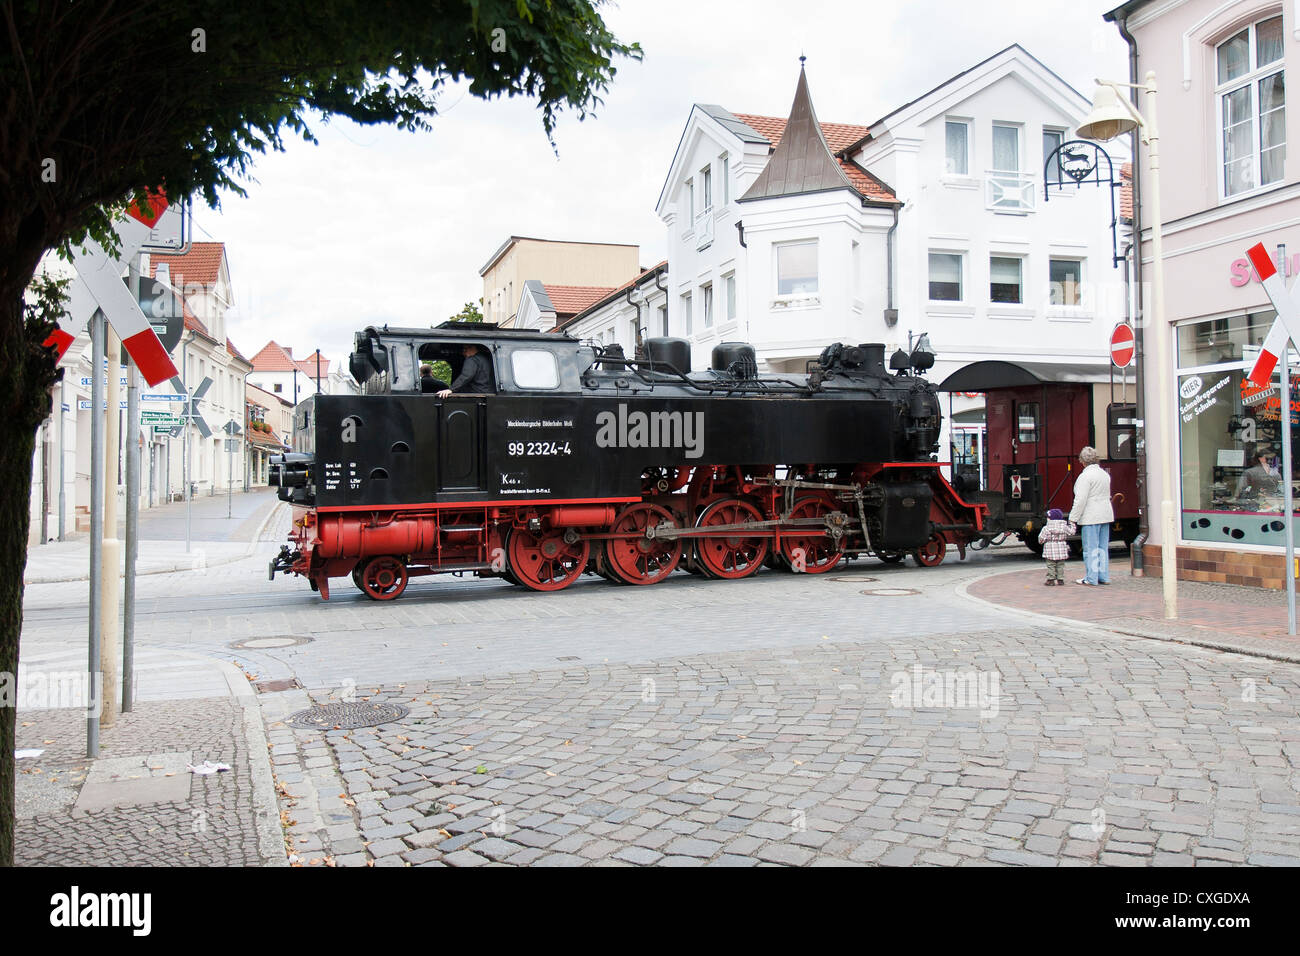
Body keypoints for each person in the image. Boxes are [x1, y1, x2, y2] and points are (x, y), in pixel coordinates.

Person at [1069, 446, 1115, 586]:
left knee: (1090, 548)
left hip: (1091, 516)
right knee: (1102, 548)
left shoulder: (1085, 477)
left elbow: (1080, 500)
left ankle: (1091, 577)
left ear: (1082, 461)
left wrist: (1073, 518)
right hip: (1105, 514)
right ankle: (1103, 576)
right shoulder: (1104, 475)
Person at [1037, 508, 1076, 586]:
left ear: (1050, 518)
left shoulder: (1046, 528)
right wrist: (1072, 524)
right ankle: (1060, 579)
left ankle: (1051, 580)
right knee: (1060, 565)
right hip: (1062, 549)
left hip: (1050, 550)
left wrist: (1041, 541)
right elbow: (1072, 532)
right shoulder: (1064, 527)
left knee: (1051, 565)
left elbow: (1041, 539)